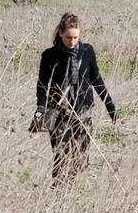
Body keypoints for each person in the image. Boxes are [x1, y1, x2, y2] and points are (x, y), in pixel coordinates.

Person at [33, 12, 116, 189]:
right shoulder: (49, 55)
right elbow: (42, 86)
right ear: (61, 33)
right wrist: (40, 111)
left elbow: (97, 80)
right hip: (59, 113)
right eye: (69, 37)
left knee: (81, 158)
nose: (72, 41)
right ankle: (59, 194)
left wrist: (110, 107)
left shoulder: (87, 51)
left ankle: (75, 192)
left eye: (76, 37)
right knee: (61, 157)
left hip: (83, 112)